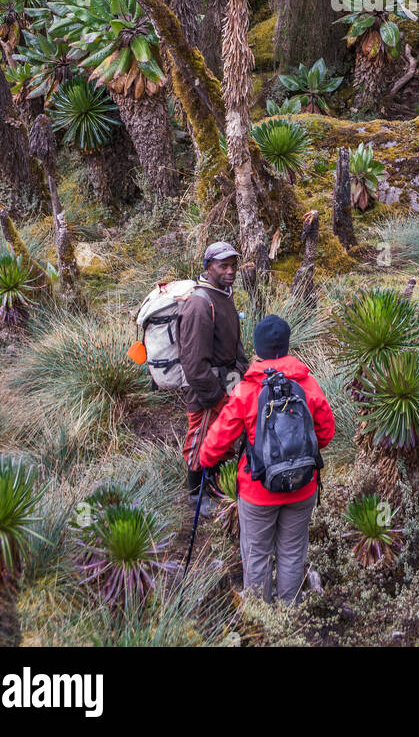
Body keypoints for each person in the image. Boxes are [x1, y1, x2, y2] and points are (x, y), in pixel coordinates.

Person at [199, 314, 335, 604]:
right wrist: (300, 455)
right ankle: (289, 612)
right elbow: (325, 432)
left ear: (257, 348)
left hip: (257, 490)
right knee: (292, 551)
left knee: (257, 553)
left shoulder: (246, 390)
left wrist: (205, 460)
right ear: (286, 345)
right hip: (302, 486)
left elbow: (219, 438)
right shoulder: (307, 384)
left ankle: (260, 619)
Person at [178, 241, 249, 516]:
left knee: (228, 435)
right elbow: (194, 364)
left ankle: (218, 485)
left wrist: (241, 376)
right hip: (206, 388)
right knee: (202, 438)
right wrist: (216, 397)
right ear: (208, 267)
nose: (230, 271)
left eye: (233, 265)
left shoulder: (224, 295)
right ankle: (196, 495)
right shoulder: (199, 303)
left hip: (229, 378)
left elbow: (234, 344)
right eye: (223, 266)